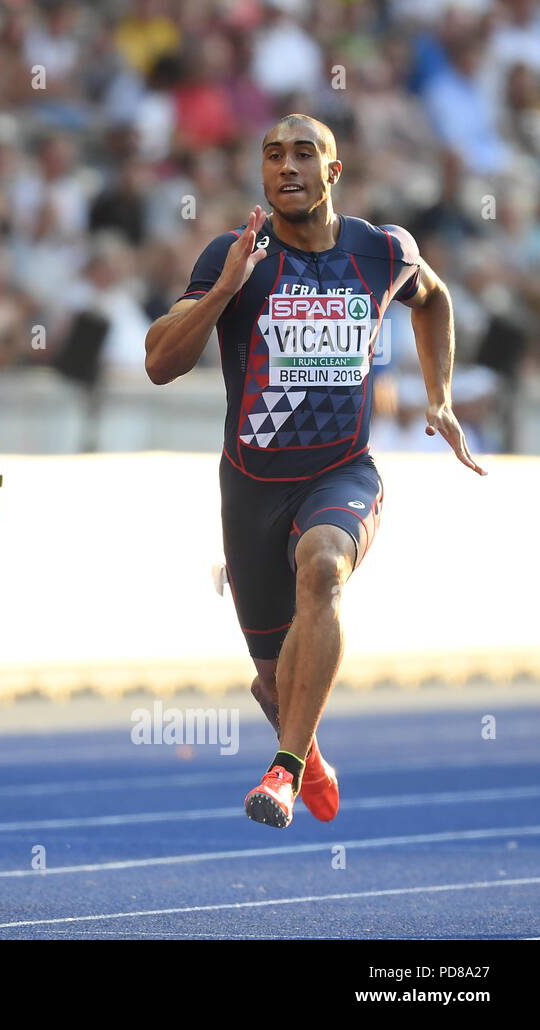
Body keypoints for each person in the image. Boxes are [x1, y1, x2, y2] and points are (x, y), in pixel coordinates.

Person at [144, 114, 485, 828]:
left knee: (324, 567)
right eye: (273, 156)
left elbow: (435, 300)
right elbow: (159, 364)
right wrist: (222, 292)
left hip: (342, 474)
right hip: (250, 488)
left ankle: (285, 771)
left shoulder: (382, 250)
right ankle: (308, 747)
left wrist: (440, 397)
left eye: (304, 154)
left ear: (334, 171)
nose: (287, 167)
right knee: (274, 683)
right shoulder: (234, 254)